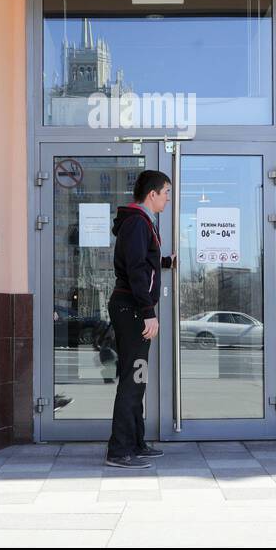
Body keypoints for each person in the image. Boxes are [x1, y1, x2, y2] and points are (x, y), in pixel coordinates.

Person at [105, 170, 173, 469]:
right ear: (152, 194)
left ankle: (135, 442)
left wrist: (166, 262)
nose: (168, 199)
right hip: (132, 310)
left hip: (133, 308)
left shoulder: (140, 223)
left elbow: (144, 263)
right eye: (166, 192)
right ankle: (119, 451)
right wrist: (148, 312)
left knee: (138, 378)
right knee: (133, 379)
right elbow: (135, 269)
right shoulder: (136, 223)